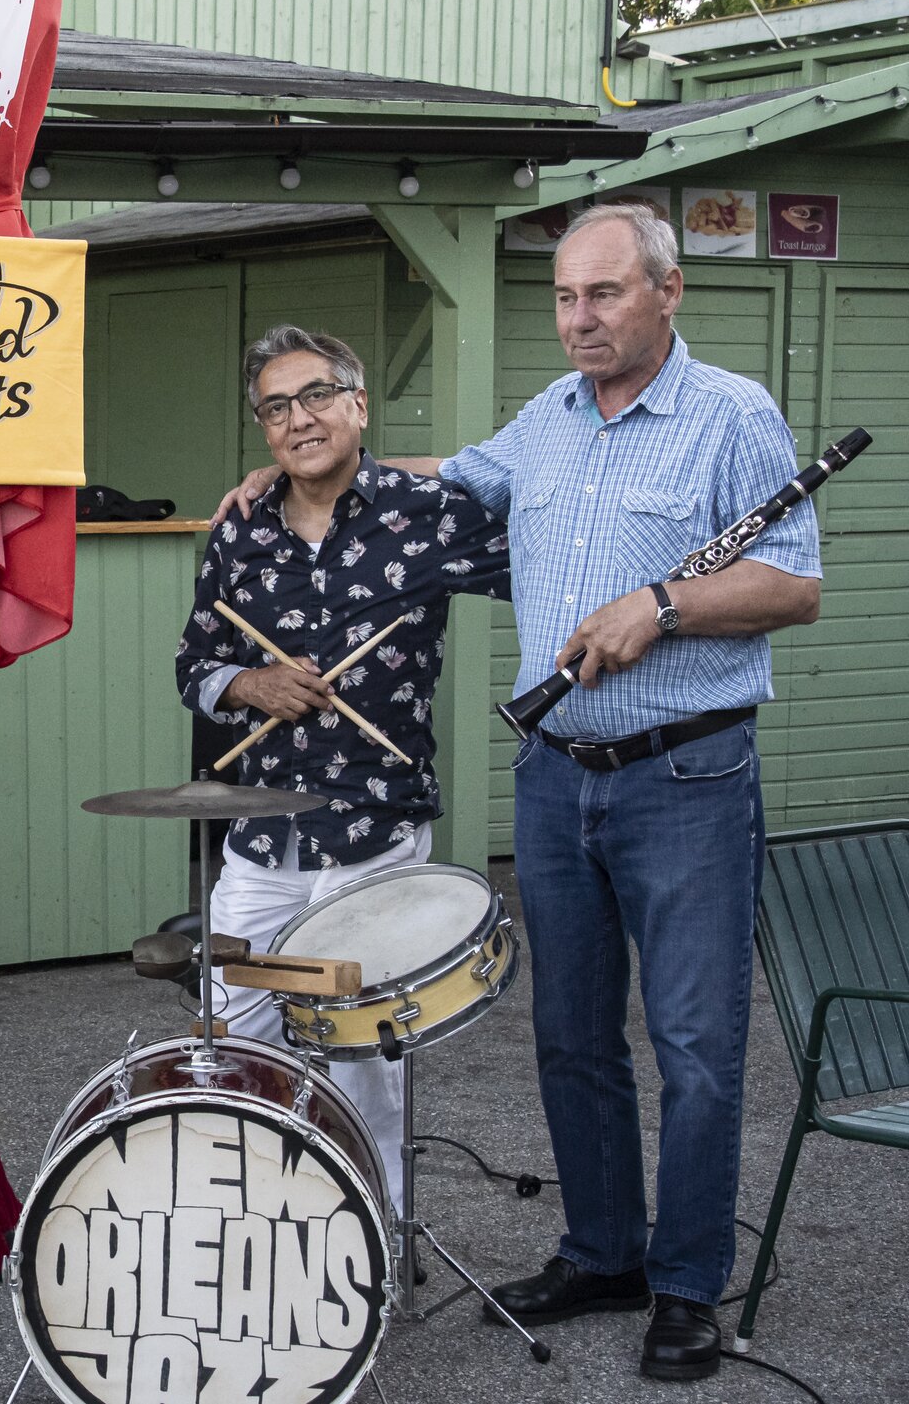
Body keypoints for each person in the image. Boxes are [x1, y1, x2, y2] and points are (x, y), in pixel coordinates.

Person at [219, 202, 821, 1382]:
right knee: (569, 1035)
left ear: (665, 292)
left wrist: (661, 606)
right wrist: (305, 453)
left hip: (686, 773)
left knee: (695, 1046)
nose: (578, 319)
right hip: (554, 778)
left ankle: (687, 1282)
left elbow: (792, 585)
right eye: (562, 297)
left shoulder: (730, 416)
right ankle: (601, 1249)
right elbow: (444, 478)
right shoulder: (543, 420)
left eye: (601, 294)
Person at [174, 325, 508, 1192]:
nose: (300, 419)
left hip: (374, 822)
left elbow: (544, 540)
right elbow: (194, 665)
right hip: (261, 833)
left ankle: (372, 1248)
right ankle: (258, 1225)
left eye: (318, 395)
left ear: (359, 404)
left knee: (360, 1051)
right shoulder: (240, 527)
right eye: (277, 408)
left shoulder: (425, 514)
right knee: (231, 1032)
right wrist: (251, 684)